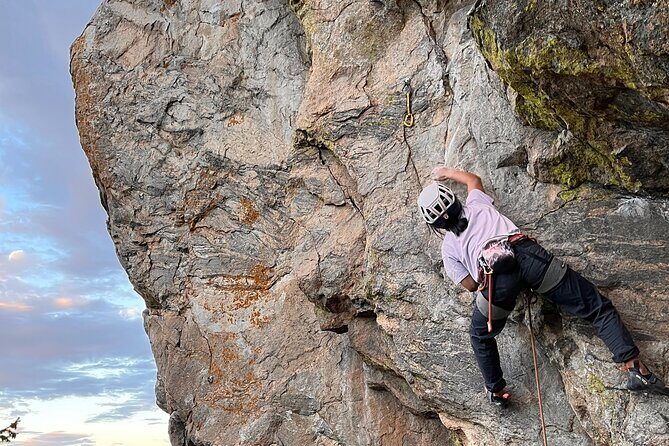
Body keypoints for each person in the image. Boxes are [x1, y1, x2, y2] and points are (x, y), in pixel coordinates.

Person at [417, 166, 669, 407]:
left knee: (480, 336)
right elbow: (473, 180)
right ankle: (635, 369)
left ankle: (495, 390)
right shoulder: (477, 205)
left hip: (496, 283)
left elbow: (471, 285)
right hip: (528, 257)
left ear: (435, 225)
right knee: (596, 307)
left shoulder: (449, 249)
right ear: (456, 201)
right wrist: (446, 173)